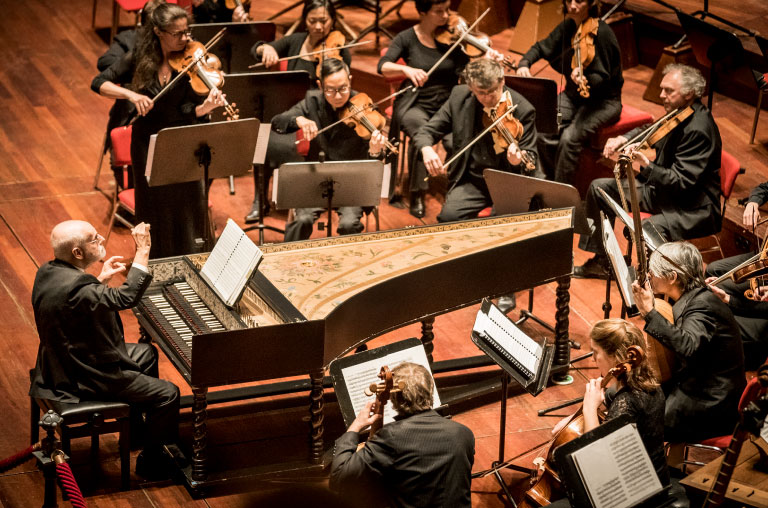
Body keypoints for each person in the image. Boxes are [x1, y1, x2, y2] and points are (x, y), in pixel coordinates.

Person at [29, 221, 179, 479]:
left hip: (62, 360)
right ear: (77, 253)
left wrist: (100, 280)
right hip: (84, 374)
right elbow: (126, 297)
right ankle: (152, 463)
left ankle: (137, 434)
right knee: (169, 393)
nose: (100, 238)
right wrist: (143, 250)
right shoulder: (80, 289)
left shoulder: (48, 270)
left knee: (147, 354)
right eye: (93, 238)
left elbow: (72, 302)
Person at [91, 3, 226, 258]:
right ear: (158, 32)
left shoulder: (192, 60)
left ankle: (190, 260)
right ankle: (155, 263)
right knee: (154, 207)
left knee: (187, 206)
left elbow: (188, 110)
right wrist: (131, 95)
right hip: (147, 142)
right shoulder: (140, 58)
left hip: (182, 139)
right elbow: (99, 82)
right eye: (177, 33)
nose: (185, 39)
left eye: (187, 32)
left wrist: (205, 108)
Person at [575, 63, 722, 279]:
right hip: (665, 193)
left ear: (689, 93)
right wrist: (624, 138)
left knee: (648, 227)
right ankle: (602, 263)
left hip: (691, 207)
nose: (661, 95)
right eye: (662, 89)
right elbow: (651, 129)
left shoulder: (698, 129)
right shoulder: (680, 112)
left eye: (669, 91)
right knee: (599, 189)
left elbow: (681, 182)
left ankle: (656, 284)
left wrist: (647, 165)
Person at [377, 0, 502, 218]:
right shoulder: (407, 37)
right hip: (416, 103)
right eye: (438, 11)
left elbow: (467, 73)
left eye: (447, 10)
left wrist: (484, 59)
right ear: (422, 12)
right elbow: (383, 66)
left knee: (457, 140)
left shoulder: (454, 40)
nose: (445, 16)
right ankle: (417, 192)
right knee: (421, 134)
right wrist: (406, 70)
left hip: (447, 106)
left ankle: (458, 186)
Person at [245, 0, 353, 223]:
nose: (318, 26)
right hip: (291, 111)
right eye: (312, 21)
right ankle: (259, 198)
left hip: (321, 114)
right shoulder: (296, 41)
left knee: (288, 145)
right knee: (263, 138)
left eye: (323, 21)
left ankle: (298, 196)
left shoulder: (339, 48)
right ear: (305, 20)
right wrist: (265, 48)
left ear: (333, 20)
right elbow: (255, 49)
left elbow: (343, 86)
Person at [546, 319, 670, 508]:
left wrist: (589, 408)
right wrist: (572, 419)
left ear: (615, 357)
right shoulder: (648, 381)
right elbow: (610, 397)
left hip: (637, 496)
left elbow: (598, 460)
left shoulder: (626, 403)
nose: (593, 359)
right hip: (657, 478)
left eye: (596, 352)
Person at [632, 241, 745, 443]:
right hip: (695, 382)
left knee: (641, 420)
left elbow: (688, 346)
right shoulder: (693, 296)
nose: (649, 276)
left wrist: (649, 312)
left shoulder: (703, 306)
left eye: (653, 272)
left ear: (672, 277)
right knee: (624, 393)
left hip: (711, 402)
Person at [270, 58, 386, 241]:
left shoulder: (365, 107)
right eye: (331, 90)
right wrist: (298, 120)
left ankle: (348, 259)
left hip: (351, 184)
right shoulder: (312, 101)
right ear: (320, 85)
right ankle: (289, 255)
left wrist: (375, 151)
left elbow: (375, 162)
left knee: (349, 224)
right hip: (315, 180)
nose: (338, 96)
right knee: (302, 220)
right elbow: (277, 122)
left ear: (350, 80)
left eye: (343, 88)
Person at [329, 362, 475, 508]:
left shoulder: (392, 437)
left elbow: (339, 477)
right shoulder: (463, 433)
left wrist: (355, 426)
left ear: (394, 396)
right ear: (431, 389)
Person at [411, 58, 539, 223]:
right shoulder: (459, 97)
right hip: (472, 180)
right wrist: (426, 148)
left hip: (508, 183)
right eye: (481, 93)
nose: (488, 98)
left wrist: (517, 161)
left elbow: (531, 158)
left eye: (492, 91)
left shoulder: (523, 109)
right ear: (471, 88)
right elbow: (427, 131)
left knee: (499, 224)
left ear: (502, 81)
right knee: (448, 218)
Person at [516, 0, 623, 185]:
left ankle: (560, 189)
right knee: (544, 128)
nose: (572, 5)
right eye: (569, 0)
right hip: (573, 96)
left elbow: (603, 77)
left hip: (603, 103)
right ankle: (546, 179)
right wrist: (524, 63)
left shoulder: (603, 33)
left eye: (579, 1)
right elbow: (541, 47)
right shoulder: (568, 26)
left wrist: (586, 77)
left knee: (569, 138)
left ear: (590, 3)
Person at [706, 181, 768, 369]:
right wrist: (753, 202)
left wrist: (729, 300)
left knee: (722, 292)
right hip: (765, 258)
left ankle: (744, 355)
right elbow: (763, 188)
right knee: (713, 270)